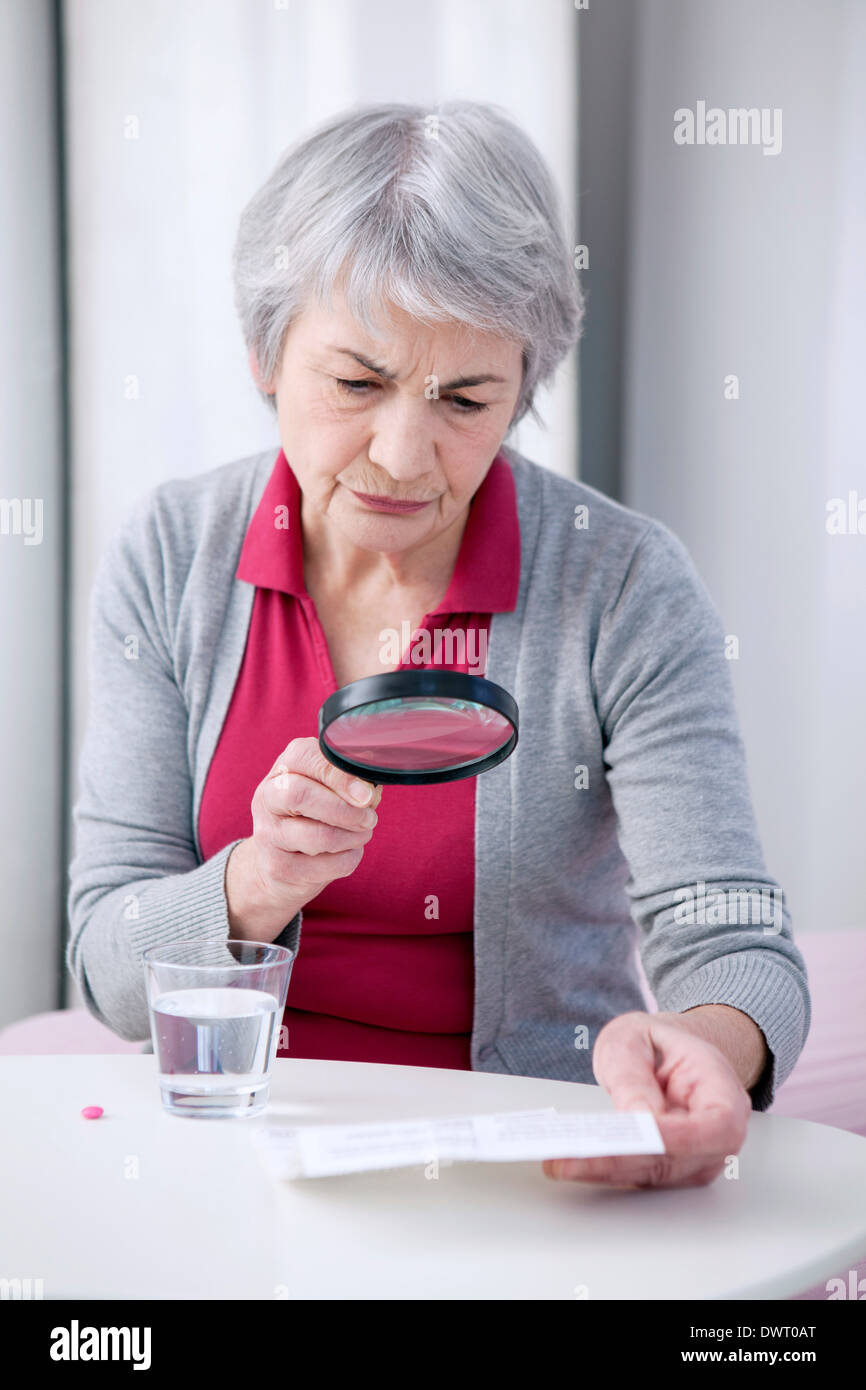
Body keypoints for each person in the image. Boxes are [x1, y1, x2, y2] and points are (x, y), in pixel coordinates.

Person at [67, 100, 809, 1190]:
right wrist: (257, 882)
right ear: (264, 353)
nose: (402, 455)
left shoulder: (624, 584)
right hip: (225, 1155)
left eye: (465, 398)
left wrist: (705, 1042)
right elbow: (108, 971)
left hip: (522, 1159)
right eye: (356, 383)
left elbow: (735, 940)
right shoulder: (172, 553)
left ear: (522, 390)